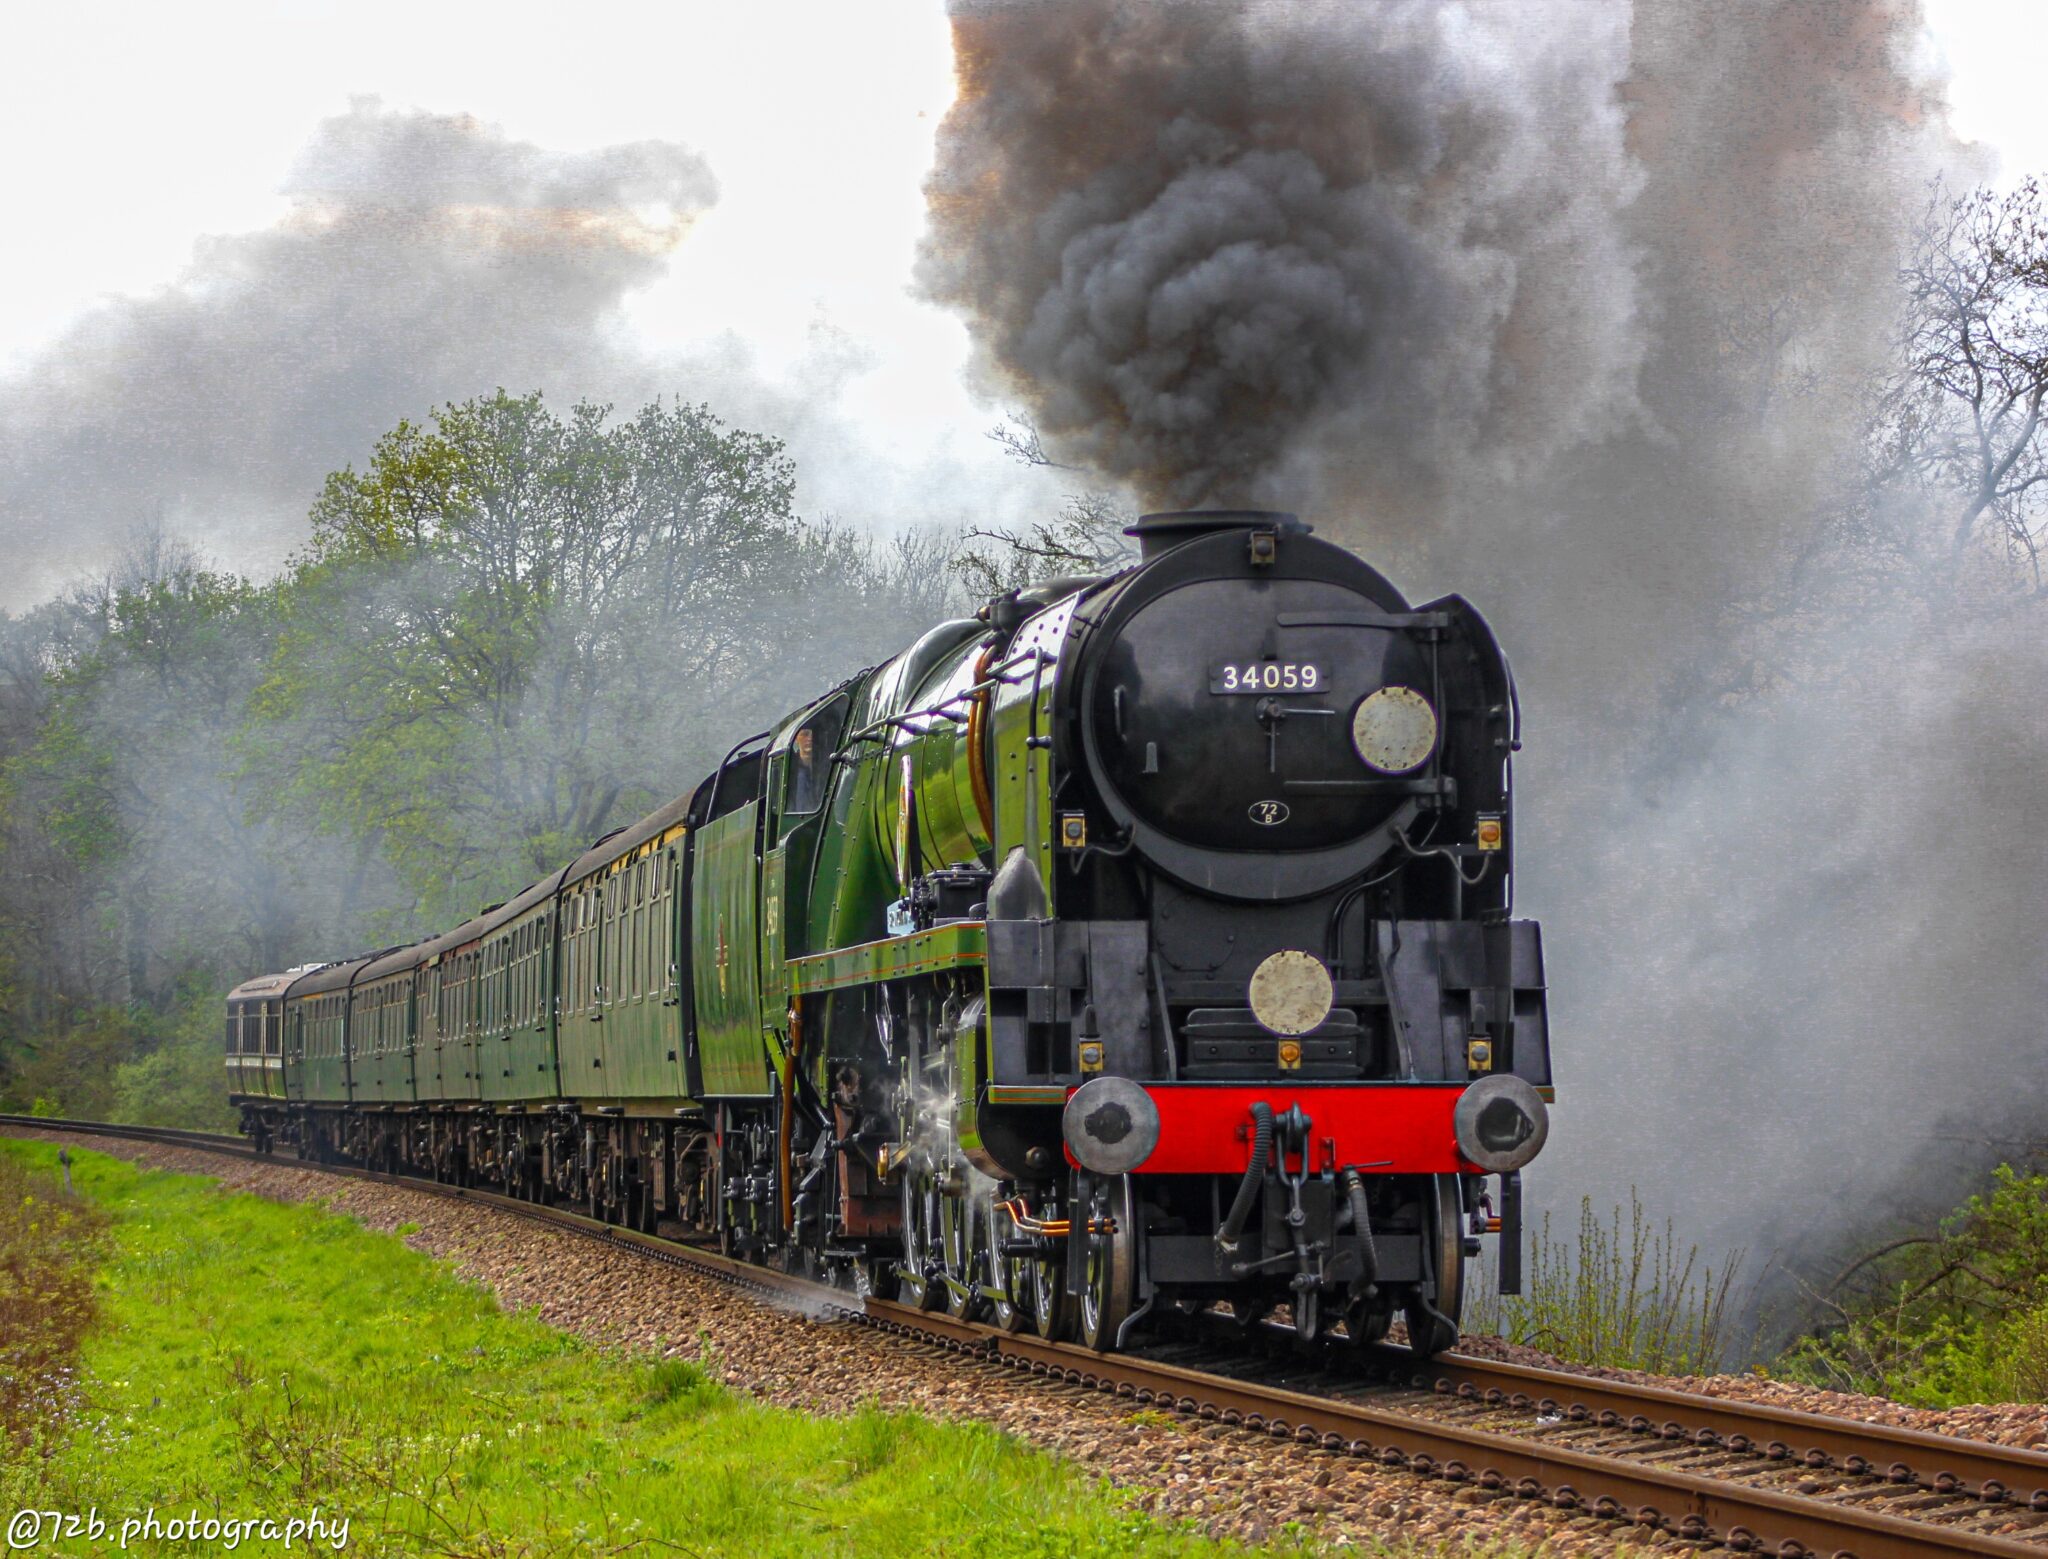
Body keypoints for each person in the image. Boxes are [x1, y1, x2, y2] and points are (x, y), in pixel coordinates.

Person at [789, 724, 822, 813]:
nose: (810, 738)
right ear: (796, 739)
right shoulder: (790, 769)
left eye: (812, 735)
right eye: (805, 734)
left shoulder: (824, 766)